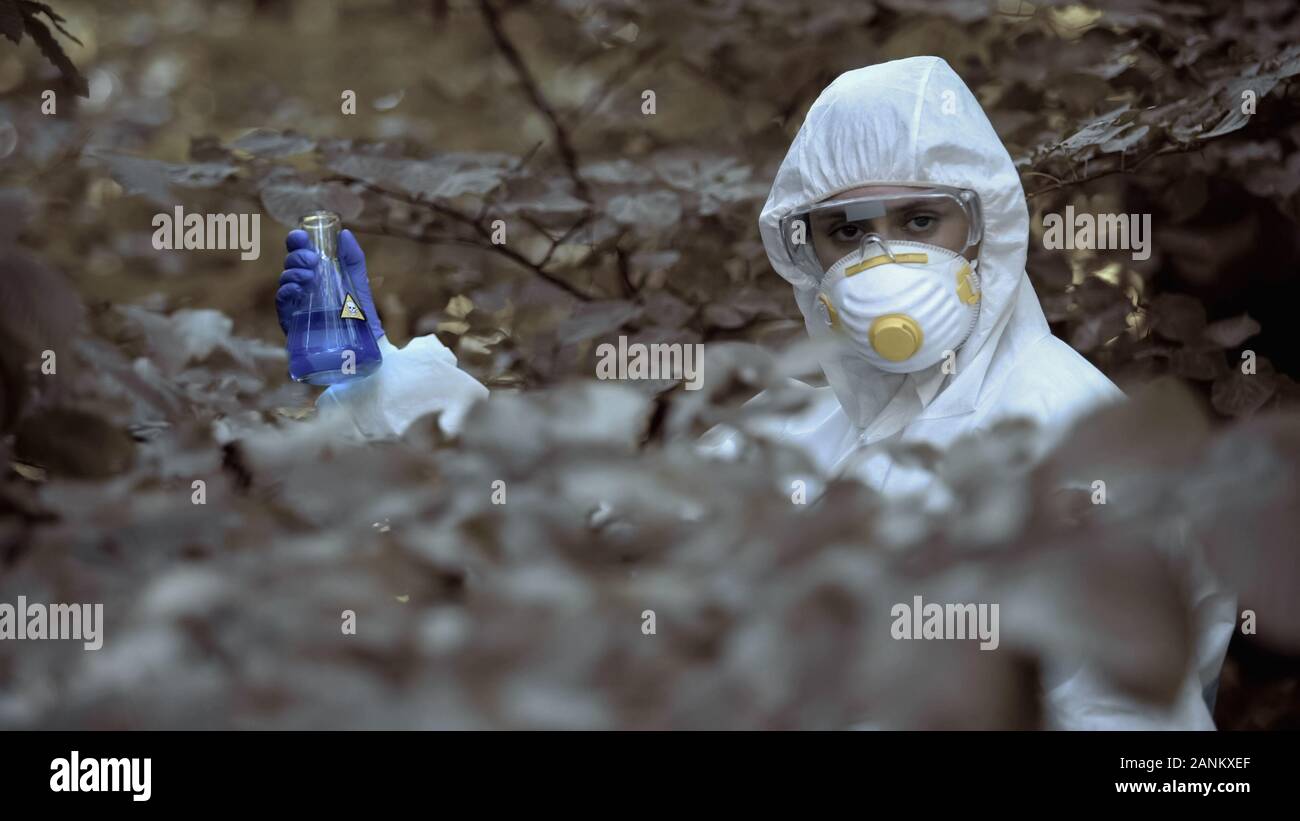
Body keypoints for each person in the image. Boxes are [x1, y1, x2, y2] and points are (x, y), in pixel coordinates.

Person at [276, 56, 1235, 729]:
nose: (882, 257)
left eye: (919, 219)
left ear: (984, 227)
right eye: (846, 231)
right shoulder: (800, 426)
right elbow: (585, 540)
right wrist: (385, 391)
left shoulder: (1074, 433)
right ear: (803, 253)